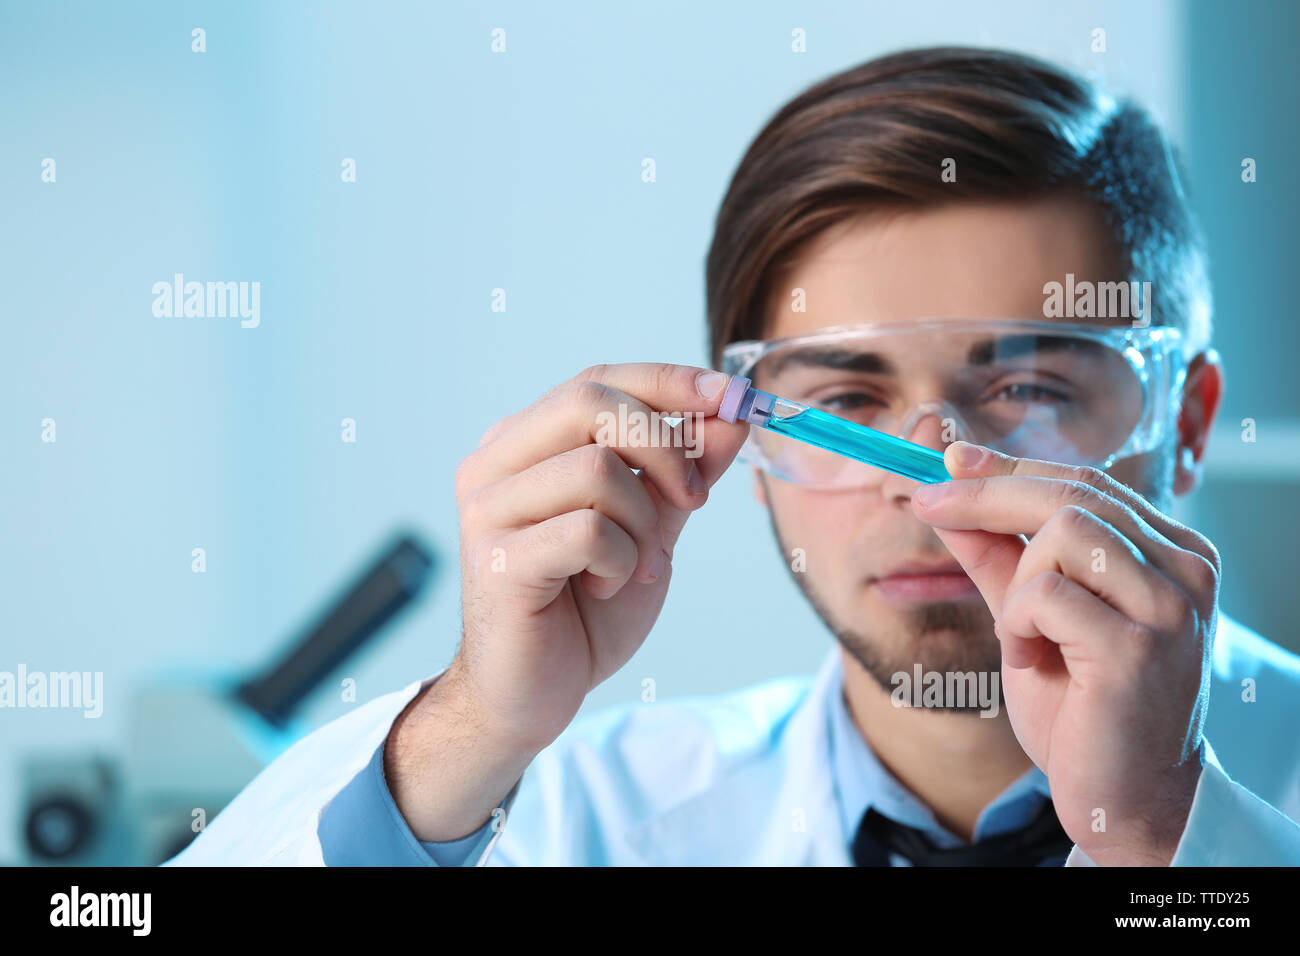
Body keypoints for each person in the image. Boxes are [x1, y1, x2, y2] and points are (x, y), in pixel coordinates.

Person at [172, 46, 1300, 866]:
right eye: (842, 396)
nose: (921, 479)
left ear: (1187, 421)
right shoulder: (568, 815)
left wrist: (1169, 842)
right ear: (738, 429)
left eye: (1028, 388)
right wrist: (474, 725)